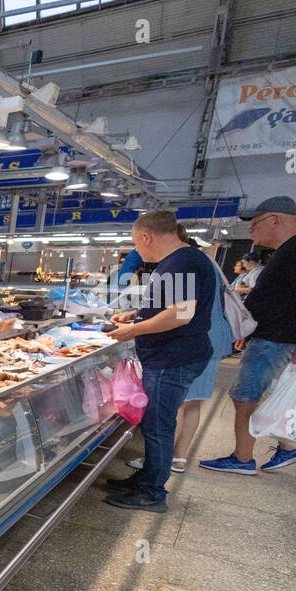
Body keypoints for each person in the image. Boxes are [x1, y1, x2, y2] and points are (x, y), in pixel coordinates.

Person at [199, 197, 296, 473]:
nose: (251, 232)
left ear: (275, 220)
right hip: (268, 335)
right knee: (254, 395)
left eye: (255, 224)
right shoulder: (290, 249)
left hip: (276, 339)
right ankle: (288, 448)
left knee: (245, 397)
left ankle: (243, 459)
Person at [103, 210, 215, 512]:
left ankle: (152, 493)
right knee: (156, 423)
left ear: (146, 237)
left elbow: (181, 313)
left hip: (172, 358)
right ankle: (146, 478)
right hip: (172, 355)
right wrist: (135, 315)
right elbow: (169, 306)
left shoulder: (183, 261)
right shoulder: (179, 260)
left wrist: (132, 331)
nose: (137, 250)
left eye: (135, 244)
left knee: (157, 426)